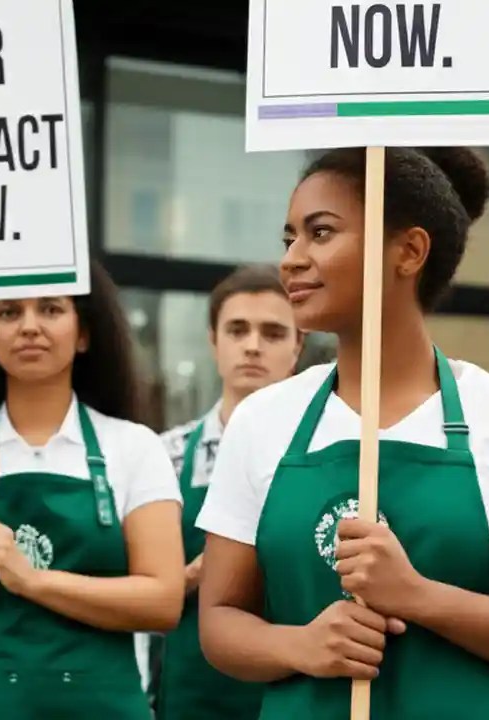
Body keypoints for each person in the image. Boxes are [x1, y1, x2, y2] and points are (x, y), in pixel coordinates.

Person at [193, 147, 489, 720]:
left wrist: (418, 596)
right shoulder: (264, 420)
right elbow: (219, 622)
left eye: (321, 233)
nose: (292, 260)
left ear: (408, 251)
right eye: (290, 239)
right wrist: (302, 645)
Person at [0, 262, 186, 719]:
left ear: (84, 333)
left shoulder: (133, 447)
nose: (30, 326)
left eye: (50, 309)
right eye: (9, 313)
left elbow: (163, 600)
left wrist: (31, 580)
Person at [152, 264, 302, 719]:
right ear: (213, 342)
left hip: (293, 692)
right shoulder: (165, 456)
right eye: (238, 330)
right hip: (188, 698)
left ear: (299, 347)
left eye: (273, 333)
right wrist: (202, 572)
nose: (253, 345)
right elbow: (136, 593)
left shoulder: (328, 458)